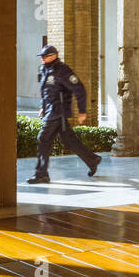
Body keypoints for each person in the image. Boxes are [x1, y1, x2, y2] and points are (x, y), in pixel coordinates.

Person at [27, 44, 101, 184]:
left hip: (57, 112)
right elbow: (46, 92)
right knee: (69, 140)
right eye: (41, 57)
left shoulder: (63, 70)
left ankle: (41, 174)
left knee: (43, 138)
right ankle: (92, 160)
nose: (42, 59)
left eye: (45, 56)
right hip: (50, 110)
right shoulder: (44, 69)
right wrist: (43, 107)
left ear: (53, 56)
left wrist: (82, 111)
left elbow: (79, 89)